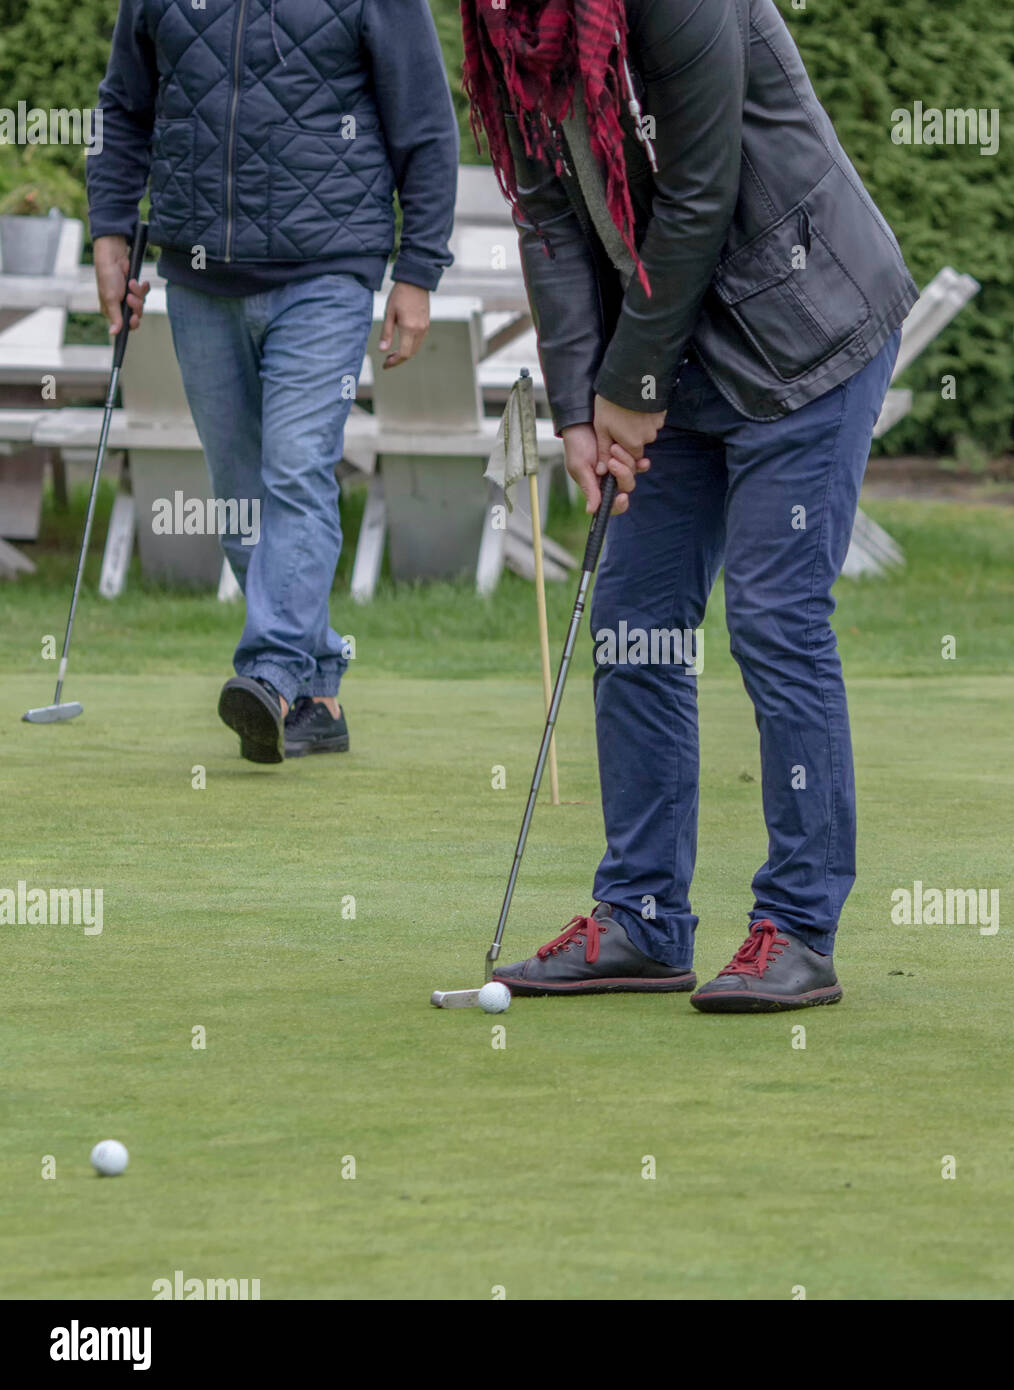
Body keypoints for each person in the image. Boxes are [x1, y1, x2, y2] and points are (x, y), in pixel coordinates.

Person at [463, 0, 918, 1011]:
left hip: (807, 333)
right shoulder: (503, 30)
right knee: (632, 620)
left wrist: (631, 384)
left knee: (773, 619)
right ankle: (640, 918)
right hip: (672, 353)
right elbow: (544, 215)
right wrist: (585, 402)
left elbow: (702, 187)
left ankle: (797, 927)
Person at [87, 0, 459, 762]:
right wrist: (109, 231)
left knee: (296, 469)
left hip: (328, 269)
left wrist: (418, 270)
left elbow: (425, 122)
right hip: (198, 275)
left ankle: (271, 672)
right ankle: (317, 693)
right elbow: (124, 106)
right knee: (238, 494)